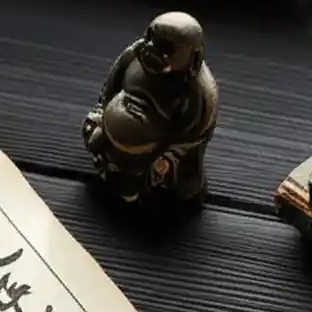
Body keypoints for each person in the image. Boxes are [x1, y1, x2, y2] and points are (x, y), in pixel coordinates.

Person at [83, 12, 219, 206]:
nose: (151, 49)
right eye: (149, 38)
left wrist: (164, 157)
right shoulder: (134, 55)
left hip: (157, 147)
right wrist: (101, 110)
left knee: (165, 181)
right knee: (94, 138)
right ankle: (111, 165)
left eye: (166, 49)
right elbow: (111, 85)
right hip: (113, 125)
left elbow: (193, 134)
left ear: (192, 58)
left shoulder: (198, 91)